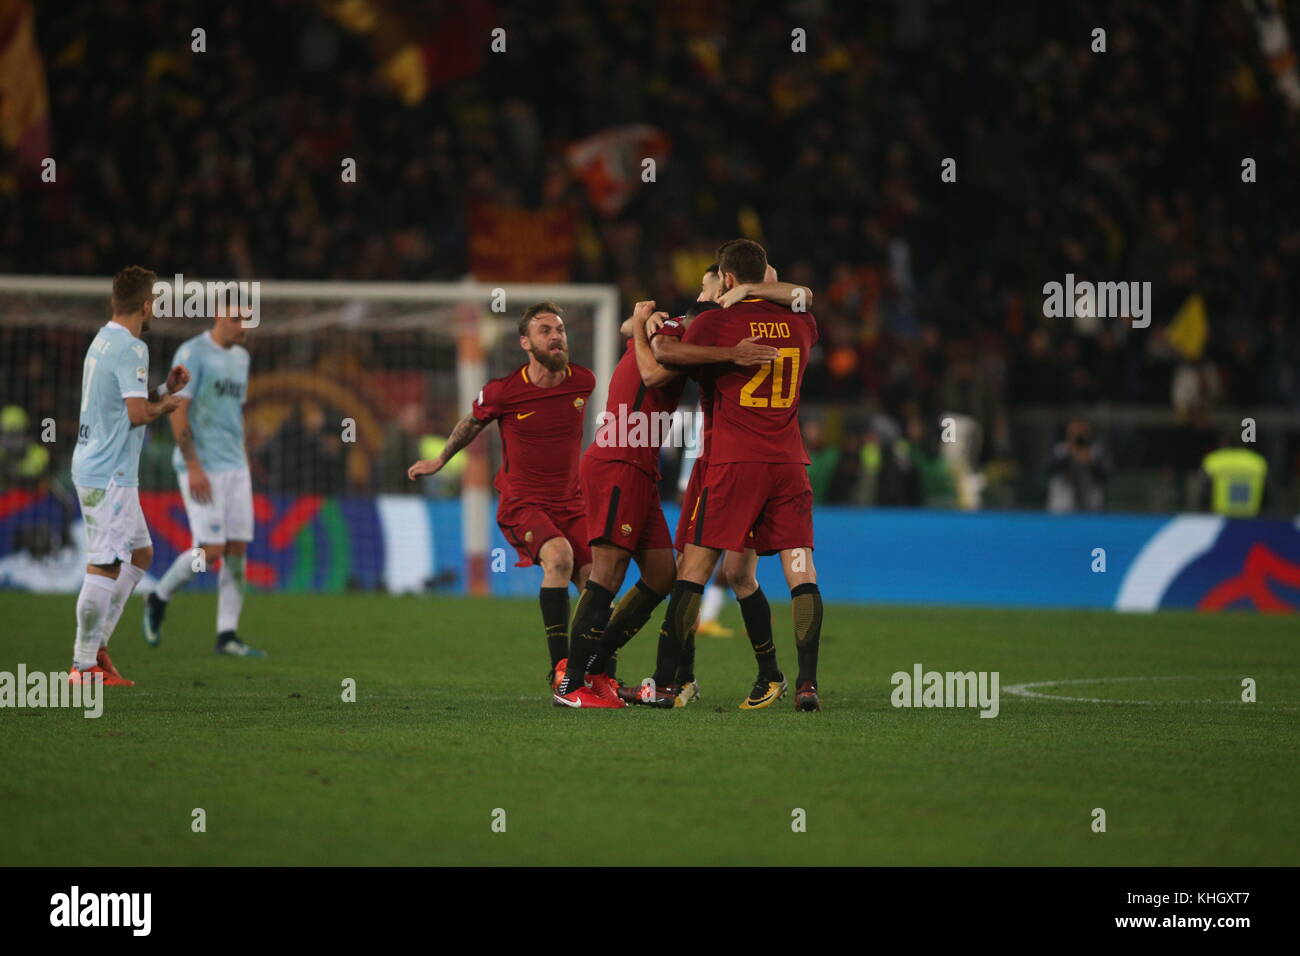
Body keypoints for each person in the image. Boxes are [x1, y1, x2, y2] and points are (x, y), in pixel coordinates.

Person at [554, 295, 778, 708]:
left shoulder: (669, 330)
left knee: (661, 575)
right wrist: (647, 327)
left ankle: (598, 664)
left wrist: (639, 322)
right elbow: (654, 371)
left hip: (642, 468)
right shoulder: (673, 334)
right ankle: (571, 685)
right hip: (618, 458)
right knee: (606, 573)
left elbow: (629, 328)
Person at [641, 239, 823, 711]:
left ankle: (666, 682)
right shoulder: (802, 322)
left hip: (734, 462)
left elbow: (664, 356)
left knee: (694, 571)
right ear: (768, 277)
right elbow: (803, 296)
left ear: (725, 279)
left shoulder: (715, 321)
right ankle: (803, 684)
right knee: (797, 571)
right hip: (789, 463)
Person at [407, 302, 594, 688]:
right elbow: (472, 422)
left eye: (560, 329)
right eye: (545, 330)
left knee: (597, 582)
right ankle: (562, 671)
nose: (556, 335)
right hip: (523, 503)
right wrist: (440, 459)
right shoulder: (504, 391)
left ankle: (593, 668)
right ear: (525, 342)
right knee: (559, 558)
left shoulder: (584, 382)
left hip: (572, 504)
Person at [69, 266, 188, 686]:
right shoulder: (133, 347)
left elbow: (127, 404)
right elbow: (138, 416)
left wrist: (162, 390)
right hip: (109, 475)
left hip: (100, 465)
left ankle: (97, 646)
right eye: (154, 300)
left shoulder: (104, 340)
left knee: (140, 555)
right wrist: (167, 407)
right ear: (145, 305)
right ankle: (82, 666)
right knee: (103, 565)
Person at [143, 304, 263, 657]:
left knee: (237, 551)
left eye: (247, 321)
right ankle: (159, 596)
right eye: (236, 320)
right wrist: (193, 465)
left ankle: (227, 635)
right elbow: (176, 408)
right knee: (210, 552)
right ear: (218, 318)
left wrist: (243, 459)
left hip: (235, 466)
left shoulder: (241, 359)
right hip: (202, 466)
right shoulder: (192, 353)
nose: (243, 328)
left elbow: (234, 413)